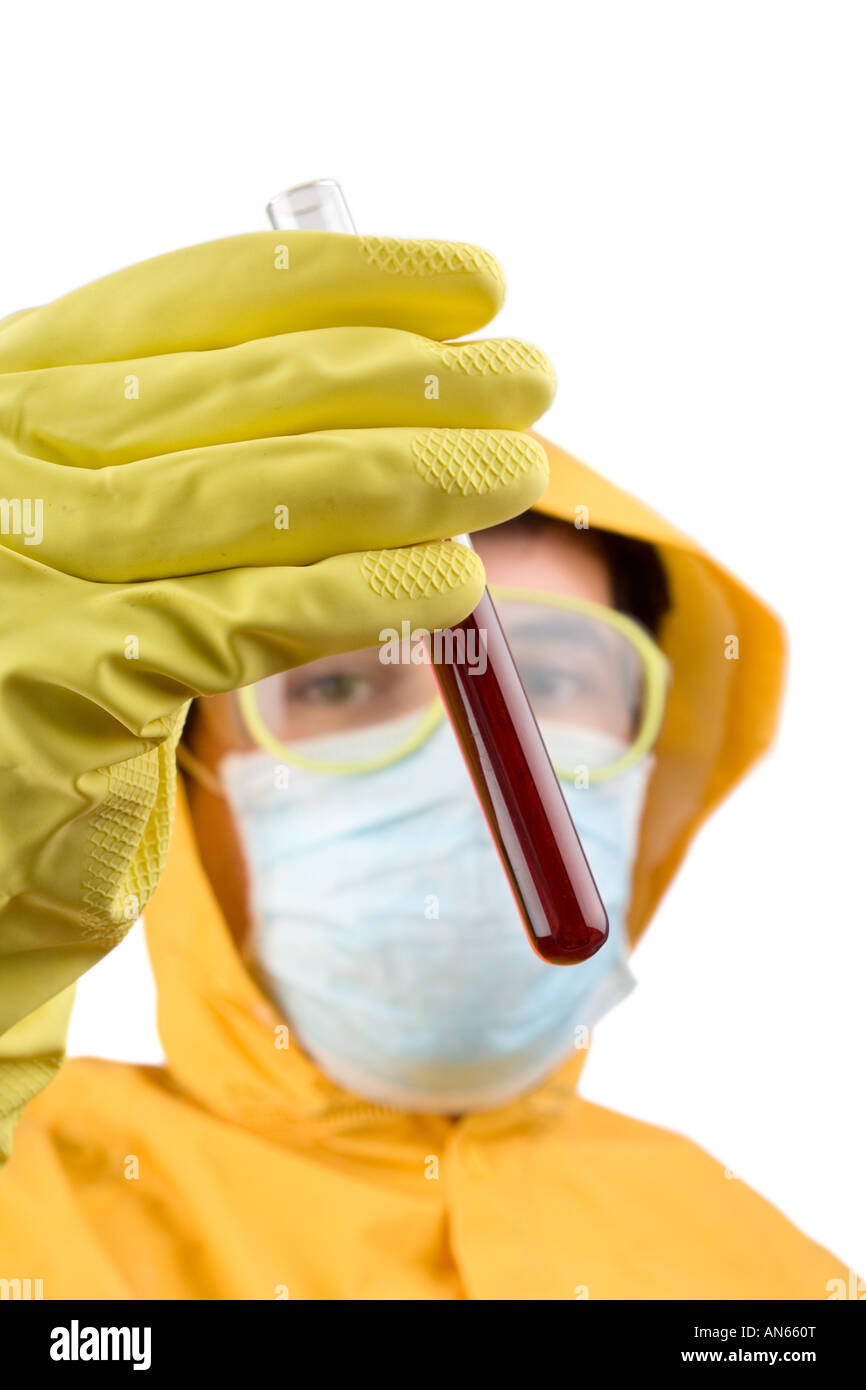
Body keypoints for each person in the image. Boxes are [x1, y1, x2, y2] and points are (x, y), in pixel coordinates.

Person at [0, 229, 849, 1299]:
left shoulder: (768, 1275)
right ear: (188, 776)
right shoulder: (24, 1193)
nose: (464, 768)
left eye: (546, 680)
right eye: (340, 685)